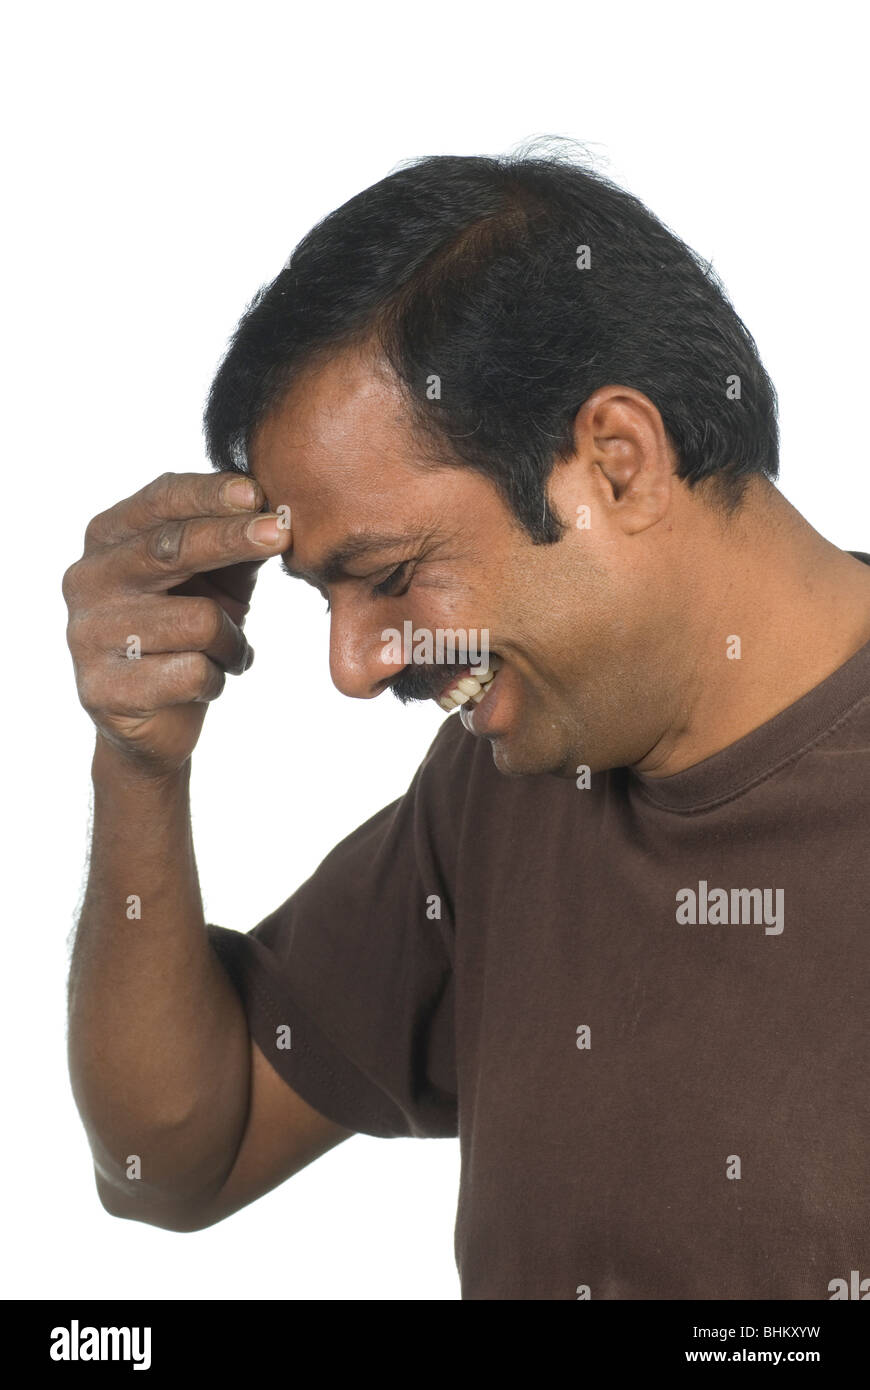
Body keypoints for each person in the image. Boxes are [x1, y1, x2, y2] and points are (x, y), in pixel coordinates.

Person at [63, 149, 870, 1299]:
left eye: (390, 574)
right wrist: (138, 761)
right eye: (325, 600)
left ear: (618, 464)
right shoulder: (507, 781)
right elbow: (175, 1160)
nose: (351, 666)